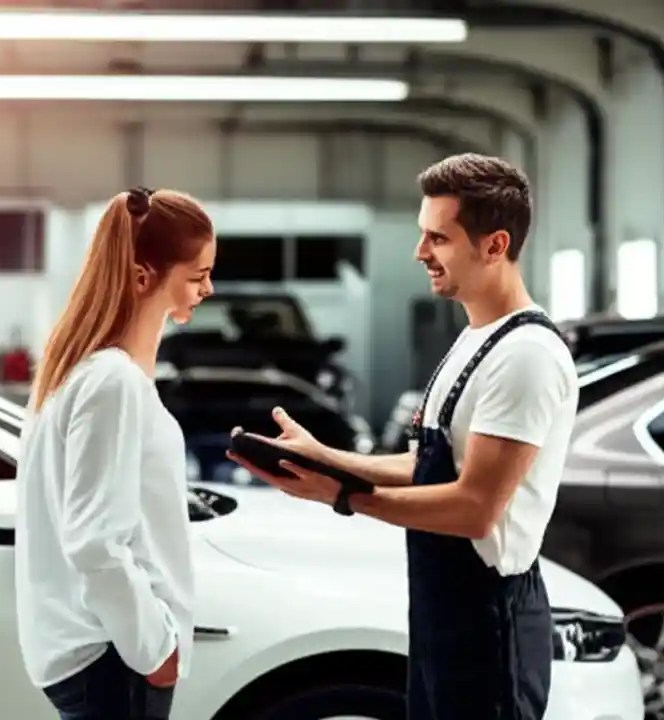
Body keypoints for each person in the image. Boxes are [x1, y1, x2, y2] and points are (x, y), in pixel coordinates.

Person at [229, 153, 578, 720]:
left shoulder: (527, 356)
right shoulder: (475, 339)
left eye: (438, 238)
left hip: (490, 626)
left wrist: (341, 496)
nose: (420, 253)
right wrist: (326, 458)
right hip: (444, 615)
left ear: (494, 245)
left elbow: (474, 509)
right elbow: (429, 466)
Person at [14, 186, 216, 720]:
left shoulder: (78, 373)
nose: (208, 289)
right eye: (197, 277)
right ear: (143, 275)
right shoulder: (113, 382)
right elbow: (93, 542)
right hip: (115, 660)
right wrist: (156, 652)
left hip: (96, 657)